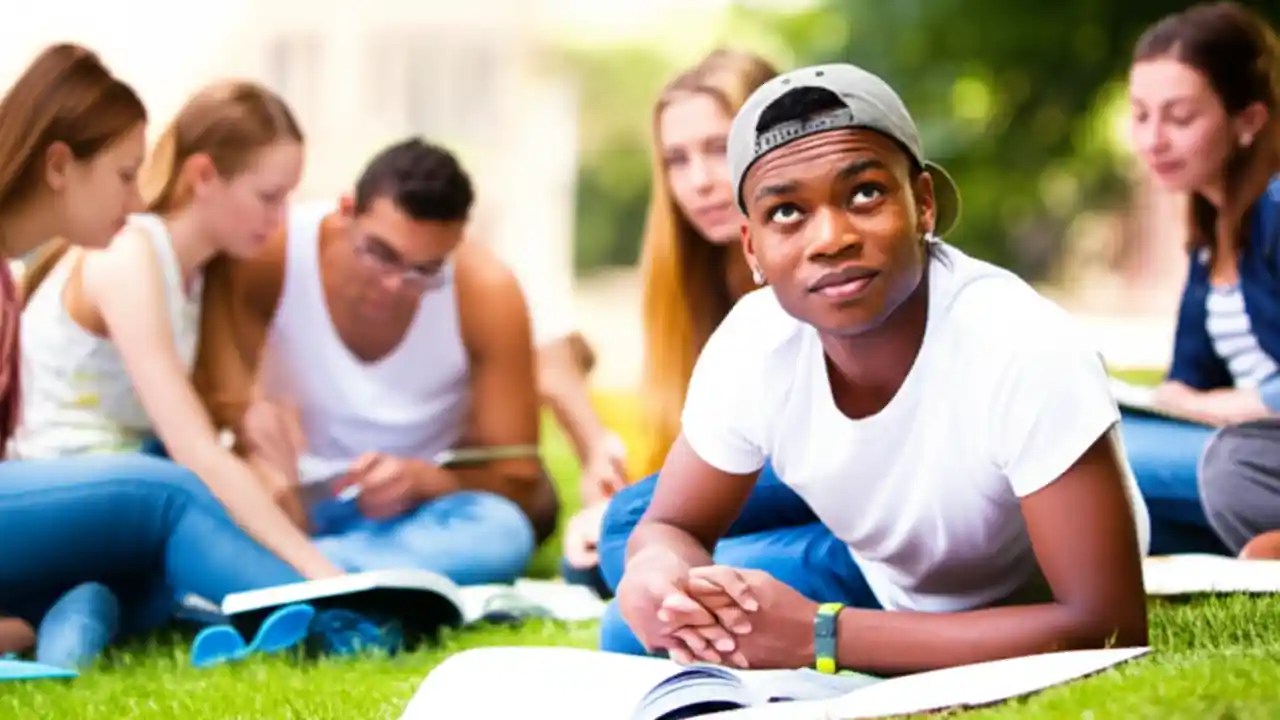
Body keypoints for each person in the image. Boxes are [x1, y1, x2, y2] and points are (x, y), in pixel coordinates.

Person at [605, 61, 1151, 675]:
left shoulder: (1021, 344)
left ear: (922, 204)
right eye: (787, 211)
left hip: (1020, 603)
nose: (831, 237)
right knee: (635, 622)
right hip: (886, 579)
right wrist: (656, 569)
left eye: (864, 194)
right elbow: (672, 523)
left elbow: (1107, 624)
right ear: (751, 246)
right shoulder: (755, 344)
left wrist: (821, 638)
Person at [0, 45, 316, 670]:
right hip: (60, 481)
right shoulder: (129, 257)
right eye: (123, 175)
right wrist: (318, 572)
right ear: (60, 166)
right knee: (164, 492)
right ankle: (339, 615)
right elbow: (191, 452)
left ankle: (60, 634)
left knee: (139, 572)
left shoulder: (10, 280)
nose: (137, 198)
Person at [199, 138, 558, 585]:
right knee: (200, 501)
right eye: (380, 253)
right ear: (347, 210)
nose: (393, 284)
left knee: (502, 533)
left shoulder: (485, 291)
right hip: (279, 499)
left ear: (455, 243)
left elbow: (519, 479)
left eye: (424, 270)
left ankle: (278, 575)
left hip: (407, 519)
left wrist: (428, 481)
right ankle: (337, 577)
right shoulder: (274, 253)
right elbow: (211, 399)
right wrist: (257, 451)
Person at [564, 49, 827, 600]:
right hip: (774, 507)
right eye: (677, 160)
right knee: (612, 544)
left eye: (719, 150)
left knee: (624, 531)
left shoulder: (823, 265)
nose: (700, 181)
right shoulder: (689, 286)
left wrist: (627, 512)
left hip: (841, 485)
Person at [1126, 1, 1280, 555]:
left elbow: (1204, 402)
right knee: (1100, 442)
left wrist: (1226, 407)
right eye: (1141, 115)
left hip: (1253, 450)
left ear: (1248, 122)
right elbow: (1184, 384)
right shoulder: (1210, 237)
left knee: (1116, 464)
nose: (1153, 139)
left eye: (1179, 117)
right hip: (1245, 452)